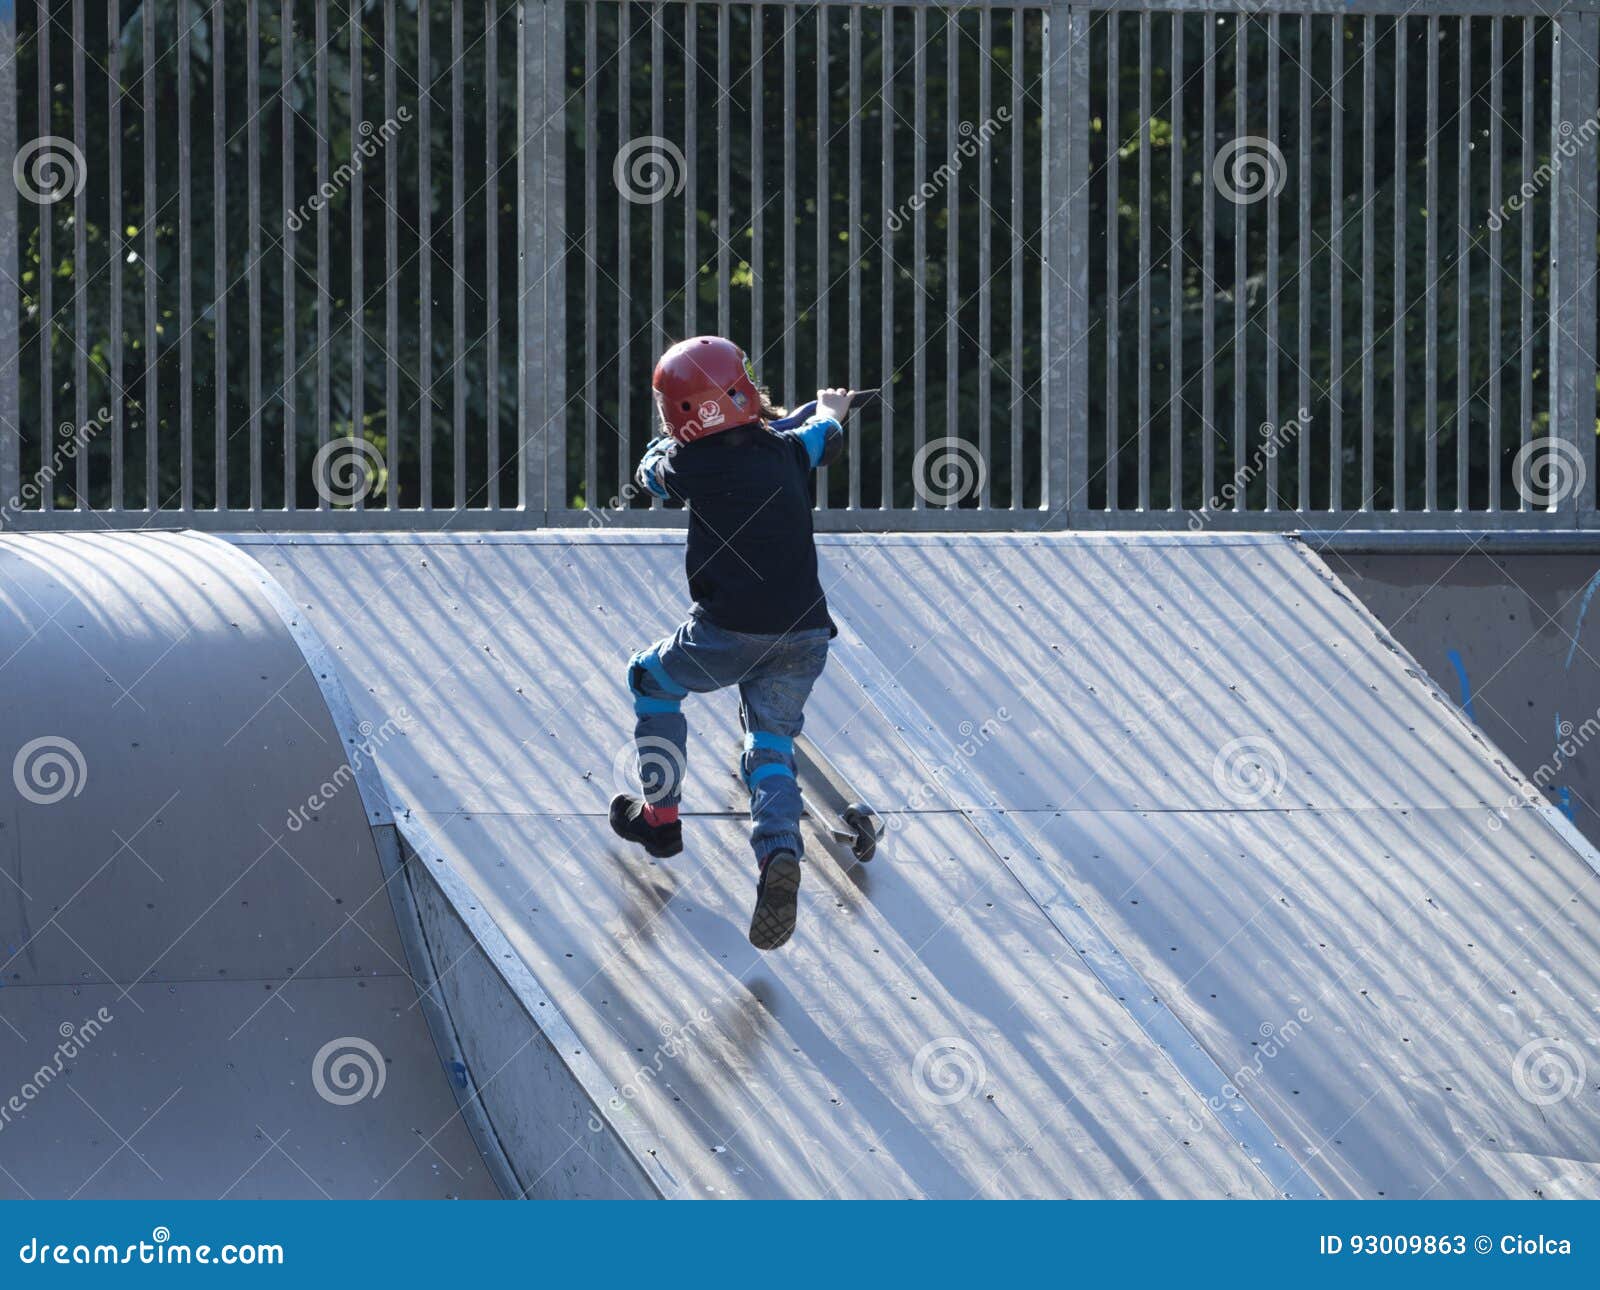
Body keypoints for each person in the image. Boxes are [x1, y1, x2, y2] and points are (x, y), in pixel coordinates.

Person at [608, 335, 848, 950]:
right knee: (769, 744)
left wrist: (675, 441)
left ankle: (660, 821)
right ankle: (778, 854)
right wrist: (827, 408)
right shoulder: (789, 451)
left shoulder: (689, 465)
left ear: (677, 414)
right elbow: (822, 432)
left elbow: (650, 474)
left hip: (728, 632)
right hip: (806, 634)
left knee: (650, 680)